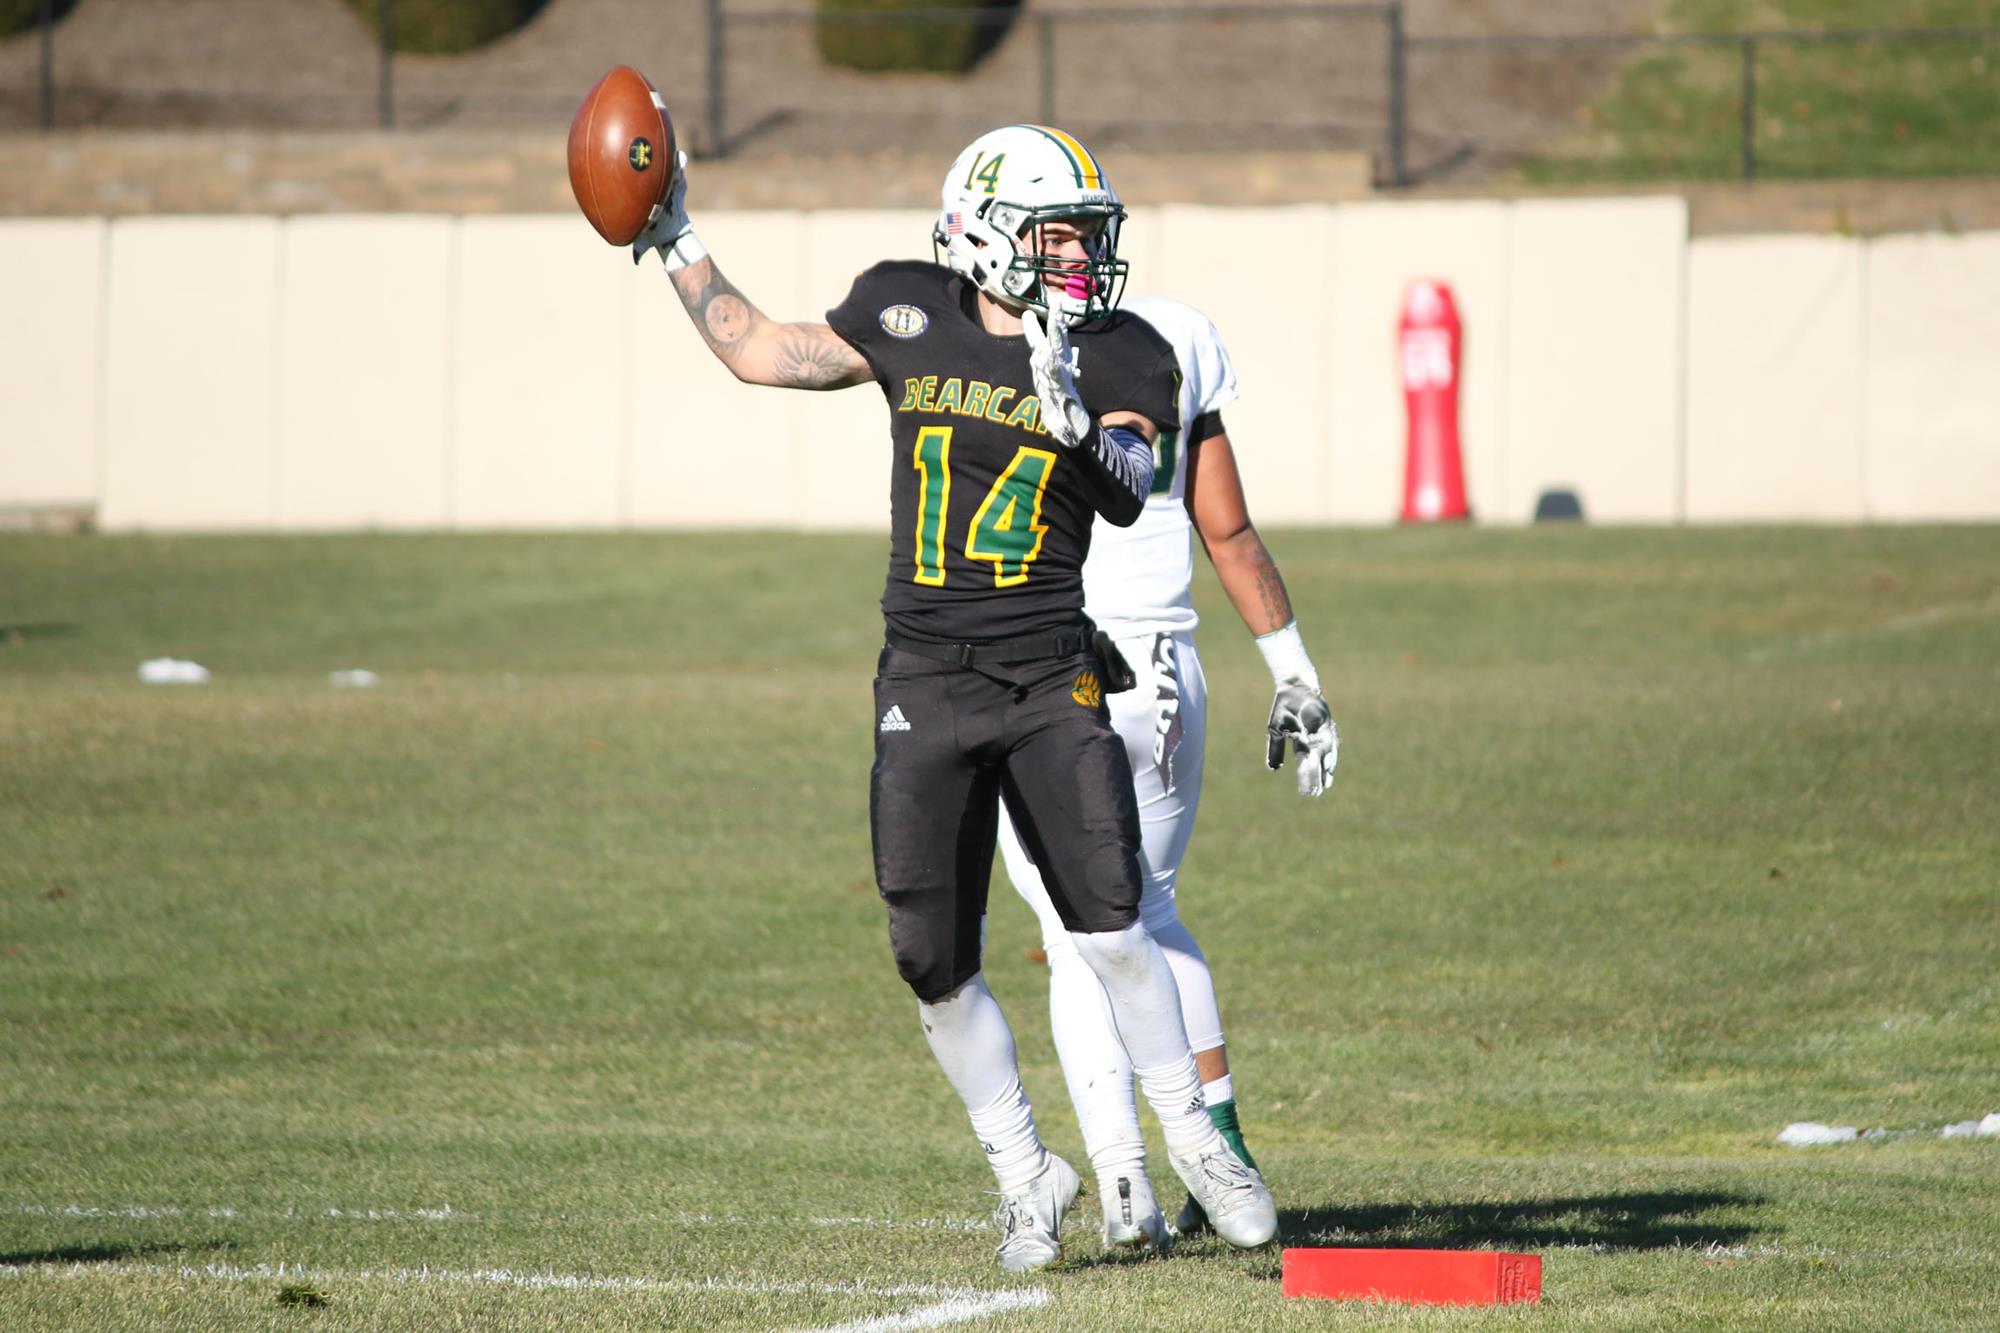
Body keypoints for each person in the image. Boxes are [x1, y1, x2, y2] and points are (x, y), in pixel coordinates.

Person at [630, 124, 1283, 1272]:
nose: (1081, 258)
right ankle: (1026, 1171)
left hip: (1048, 672)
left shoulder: (1121, 352)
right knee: (927, 956)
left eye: (1088, 235)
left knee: (1113, 925)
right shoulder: (905, 306)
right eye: (1059, 236)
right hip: (924, 676)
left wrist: (1076, 419)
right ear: (986, 232)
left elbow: (1133, 484)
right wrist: (678, 238)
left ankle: (1195, 1141)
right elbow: (763, 350)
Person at [996, 296, 1338, 1250]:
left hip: (1064, 658)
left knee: (1078, 937)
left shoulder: (998, 334)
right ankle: (1221, 1157)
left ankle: (1124, 1185)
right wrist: (1294, 670)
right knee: (1149, 912)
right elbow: (1226, 530)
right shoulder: (1174, 332)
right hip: (1172, 668)